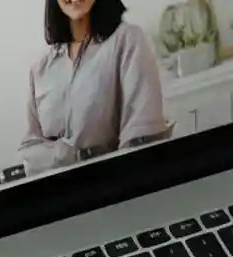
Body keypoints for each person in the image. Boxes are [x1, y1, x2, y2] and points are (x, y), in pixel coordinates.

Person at [21, 0, 169, 174]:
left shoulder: (128, 40)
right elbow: (30, 153)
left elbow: (141, 135)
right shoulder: (40, 68)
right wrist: (73, 155)